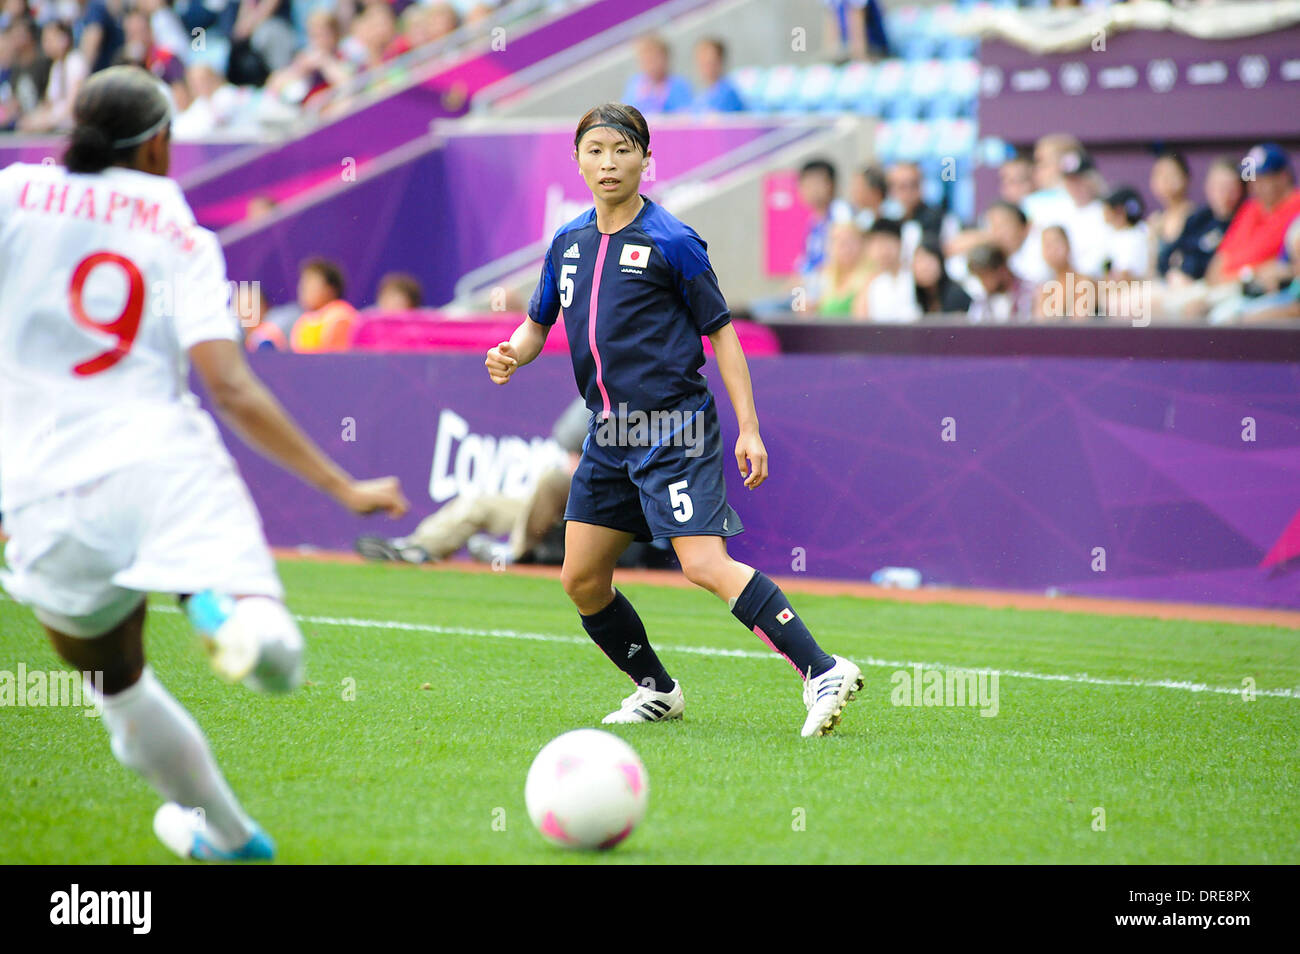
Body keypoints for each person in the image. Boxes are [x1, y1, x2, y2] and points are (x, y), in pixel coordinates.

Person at [0, 66, 408, 862]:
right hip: (161, 461)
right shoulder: (176, 227)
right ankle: (231, 620)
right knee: (278, 657)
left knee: (115, 687)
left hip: (44, 485)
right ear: (157, 143)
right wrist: (341, 484)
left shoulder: (14, 194)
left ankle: (229, 835)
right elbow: (230, 383)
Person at [485, 103, 863, 737]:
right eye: (596, 150)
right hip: (609, 433)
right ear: (577, 161)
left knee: (702, 564)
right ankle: (657, 689)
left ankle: (822, 669)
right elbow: (537, 324)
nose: (609, 162)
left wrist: (749, 427)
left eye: (622, 149)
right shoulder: (567, 244)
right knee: (580, 579)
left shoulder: (673, 241)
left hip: (672, 428)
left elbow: (724, 336)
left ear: (645, 159)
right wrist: (511, 353)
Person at [356, 398, 589, 567]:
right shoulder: (594, 390)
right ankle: (416, 548)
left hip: (597, 509)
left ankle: (513, 555)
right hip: (558, 512)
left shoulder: (622, 402)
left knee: (553, 478)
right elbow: (569, 449)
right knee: (478, 504)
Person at [855, 217, 919, 322]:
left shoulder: (915, 276)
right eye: (877, 244)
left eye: (887, 242)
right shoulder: (870, 283)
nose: (883, 250)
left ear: (900, 243)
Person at [289, 257, 358, 352]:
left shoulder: (341, 317)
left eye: (311, 284)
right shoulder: (304, 321)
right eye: (303, 284)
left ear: (331, 290)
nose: (303, 289)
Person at [811, 220, 873, 318]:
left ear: (862, 244)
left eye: (851, 242)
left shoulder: (870, 277)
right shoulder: (826, 276)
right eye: (839, 242)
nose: (846, 248)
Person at [1147, 151, 1193, 281]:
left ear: (1185, 177)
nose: (1165, 180)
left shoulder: (1196, 216)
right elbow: (1151, 269)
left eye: (1171, 174)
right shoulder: (1155, 221)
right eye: (1159, 175)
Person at [621, 34, 691, 115]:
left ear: (665, 58)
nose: (650, 63)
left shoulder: (678, 85)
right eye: (646, 58)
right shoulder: (634, 83)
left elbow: (684, 117)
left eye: (654, 57)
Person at [967, 242, 1035, 323]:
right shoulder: (981, 299)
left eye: (985, 276)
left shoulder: (1030, 293)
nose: (983, 282)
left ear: (1001, 270)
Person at [1101, 186, 1148, 280]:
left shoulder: (1138, 234)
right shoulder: (1112, 234)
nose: (1103, 214)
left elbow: (1125, 276)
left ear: (1119, 211)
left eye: (1106, 210)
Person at [913, 238, 971, 315]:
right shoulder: (917, 296)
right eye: (918, 262)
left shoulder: (956, 295)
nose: (923, 268)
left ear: (940, 262)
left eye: (928, 262)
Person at [689, 36, 743, 113]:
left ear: (720, 61)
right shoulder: (703, 96)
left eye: (710, 62)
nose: (705, 67)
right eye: (701, 62)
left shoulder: (728, 92)